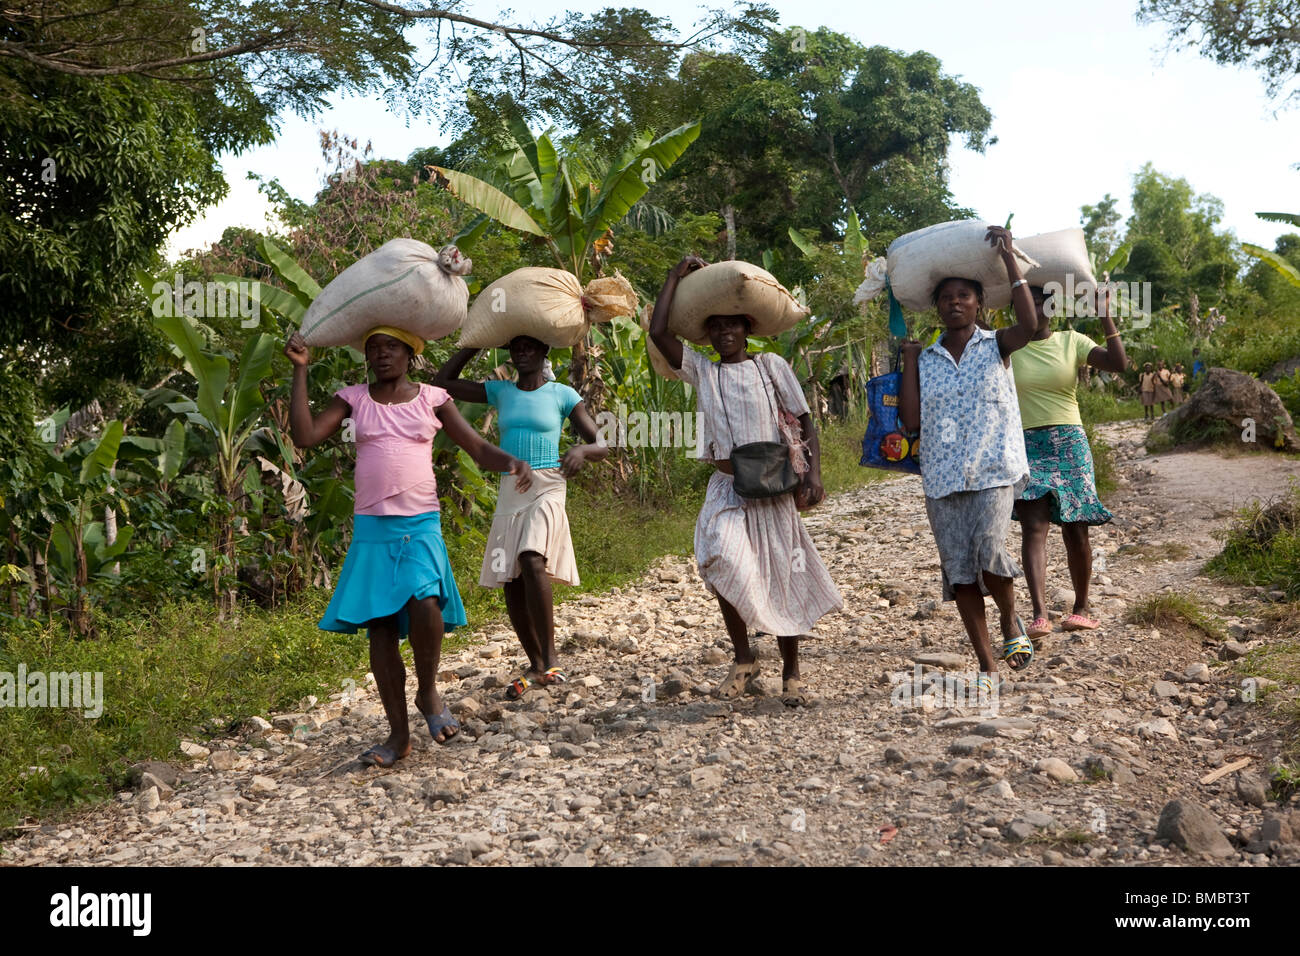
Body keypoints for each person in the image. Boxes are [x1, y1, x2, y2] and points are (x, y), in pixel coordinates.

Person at [286, 327, 532, 767]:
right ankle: (398, 737)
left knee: (426, 602)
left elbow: (476, 448)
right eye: (374, 348)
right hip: (372, 529)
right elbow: (304, 436)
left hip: (419, 523)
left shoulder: (432, 398)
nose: (381, 355)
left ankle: (428, 690)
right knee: (380, 628)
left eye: (391, 347)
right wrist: (300, 371)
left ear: (410, 353)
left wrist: (511, 461)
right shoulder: (353, 398)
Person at [649, 256, 841, 707]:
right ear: (709, 334)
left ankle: (791, 671)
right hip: (728, 487)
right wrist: (673, 276)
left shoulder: (769, 366)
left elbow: (804, 418)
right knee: (721, 560)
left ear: (747, 329)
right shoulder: (704, 371)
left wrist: (811, 473)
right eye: (716, 328)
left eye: (733, 326)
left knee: (783, 575)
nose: (725, 334)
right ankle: (744, 658)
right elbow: (659, 334)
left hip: (774, 486)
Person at [898, 225, 1039, 698]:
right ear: (937, 306)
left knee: (991, 553)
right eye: (946, 297)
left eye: (964, 295)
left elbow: (1031, 326)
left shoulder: (997, 344)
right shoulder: (926, 357)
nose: (955, 302)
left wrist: (1010, 263)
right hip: (941, 479)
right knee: (959, 572)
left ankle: (1008, 617)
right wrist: (908, 362)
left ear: (979, 303)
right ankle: (986, 664)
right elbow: (911, 421)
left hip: (995, 469)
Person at [435, 338, 608, 700]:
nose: (523, 354)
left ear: (545, 352)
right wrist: (474, 344)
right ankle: (534, 663)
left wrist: (581, 449)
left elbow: (602, 444)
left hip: (548, 484)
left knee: (531, 559)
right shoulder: (500, 391)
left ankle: (552, 657)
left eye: (531, 348)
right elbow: (443, 383)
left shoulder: (562, 394)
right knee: (510, 578)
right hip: (512, 485)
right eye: (517, 348)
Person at [1010, 285, 1126, 640]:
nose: (1036, 308)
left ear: (1054, 305)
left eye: (1042, 301)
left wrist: (1104, 313)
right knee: (1034, 527)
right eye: (1026, 302)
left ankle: (1081, 607)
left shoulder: (1071, 341)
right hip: (1026, 443)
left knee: (1076, 527)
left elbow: (1119, 364)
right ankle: (1040, 615)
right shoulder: (1006, 347)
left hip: (1069, 443)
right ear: (1017, 309)